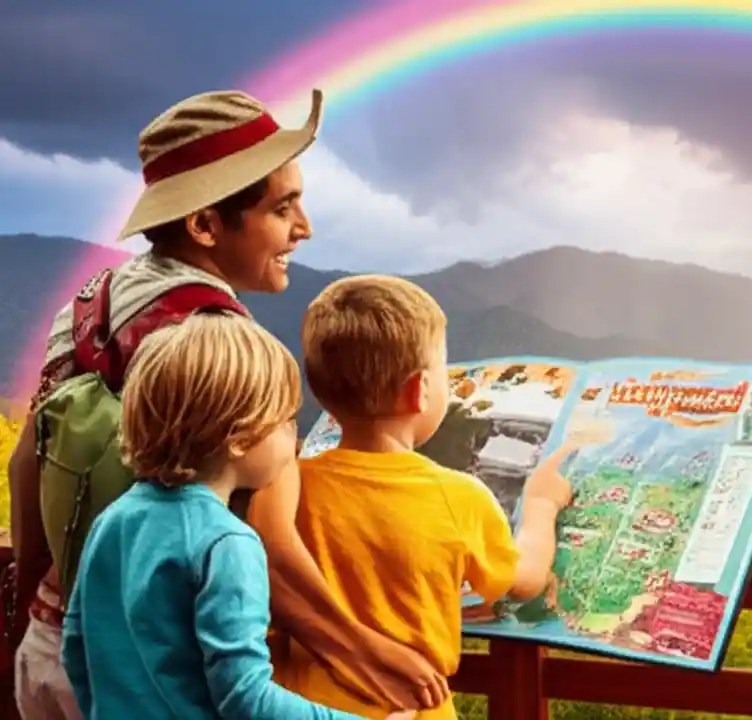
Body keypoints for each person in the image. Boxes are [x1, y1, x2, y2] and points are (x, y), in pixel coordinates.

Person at [5, 88, 444, 718]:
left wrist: (30, 613)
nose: (304, 227)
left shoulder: (91, 301)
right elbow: (267, 539)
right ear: (205, 225)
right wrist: (364, 650)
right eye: (283, 207)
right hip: (160, 674)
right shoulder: (226, 350)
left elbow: (27, 463)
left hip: (65, 645)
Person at [61, 312, 413, 719]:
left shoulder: (113, 520)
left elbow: (76, 649)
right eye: (286, 420)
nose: (294, 435)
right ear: (241, 437)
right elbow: (246, 698)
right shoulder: (227, 542)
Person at [274, 275, 578, 719]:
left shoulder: (287, 489)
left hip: (300, 707)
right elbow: (526, 579)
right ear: (419, 391)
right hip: (417, 707)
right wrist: (541, 506)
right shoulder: (458, 497)